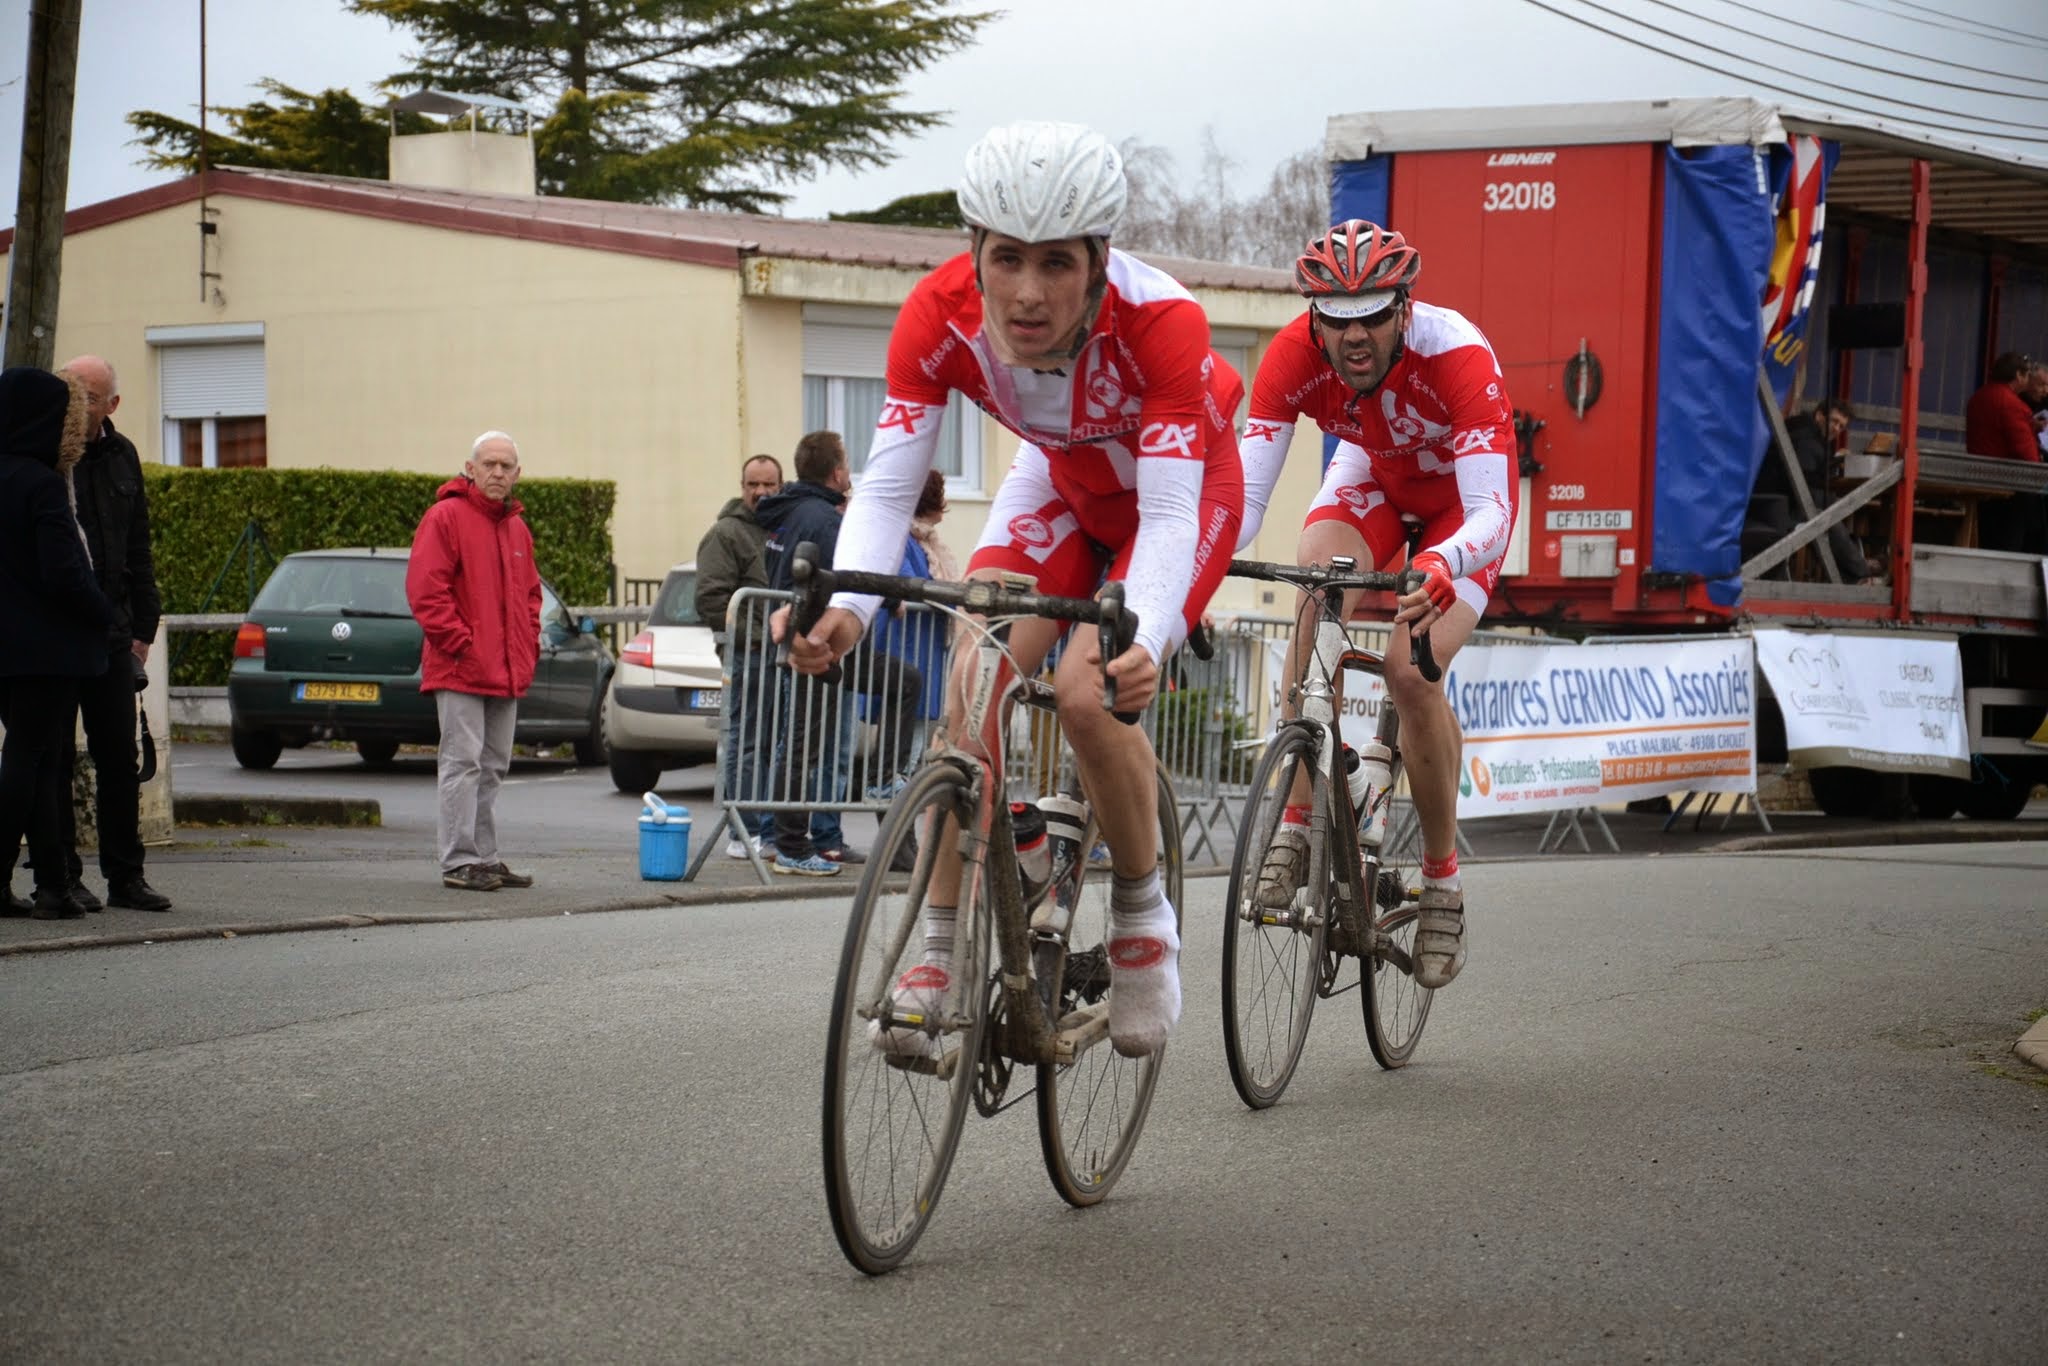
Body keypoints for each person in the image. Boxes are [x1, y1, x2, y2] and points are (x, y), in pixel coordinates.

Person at [781, 121, 1245, 1057]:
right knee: (971, 674)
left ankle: (1142, 919)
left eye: (1057, 264)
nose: (1028, 294)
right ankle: (937, 954)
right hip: (1060, 483)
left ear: (1099, 262)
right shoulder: (936, 315)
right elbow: (885, 482)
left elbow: (1162, 519)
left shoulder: (1162, 323)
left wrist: (1146, 637)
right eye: (1007, 260)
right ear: (975, 251)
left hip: (1177, 499)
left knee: (1087, 690)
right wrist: (848, 611)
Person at [1235, 219, 1518, 991]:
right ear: (1314, 318)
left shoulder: (1455, 352)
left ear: (1404, 308)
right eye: (1336, 318)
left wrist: (1441, 561)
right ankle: (1298, 815)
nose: (1354, 336)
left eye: (1372, 315)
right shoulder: (1291, 357)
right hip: (1375, 475)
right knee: (1314, 581)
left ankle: (1442, 878)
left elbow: (1492, 509)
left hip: (1465, 509)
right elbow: (1244, 497)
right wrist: (1183, 571)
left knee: (1408, 671)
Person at [757, 431, 924, 876]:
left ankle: (793, 838)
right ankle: (794, 842)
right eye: (847, 464)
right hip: (817, 644)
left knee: (805, 743)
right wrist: (889, 598)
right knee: (802, 747)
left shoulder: (788, 511)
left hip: (803, 638)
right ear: (836, 472)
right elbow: (852, 576)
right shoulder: (826, 521)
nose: (850, 473)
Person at [48, 355, 173, 912]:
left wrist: (144, 626)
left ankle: (126, 877)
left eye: (88, 395)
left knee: (118, 759)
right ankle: (63, 875)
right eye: (70, 392)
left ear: (112, 404)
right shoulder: (48, 458)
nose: (77, 404)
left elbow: (139, 549)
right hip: (57, 633)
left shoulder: (123, 457)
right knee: (51, 756)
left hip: (115, 634)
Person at [0, 367, 116, 920]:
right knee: (28, 762)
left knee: (37, 763)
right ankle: (20, 883)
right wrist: (107, 616)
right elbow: (65, 574)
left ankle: (51, 886)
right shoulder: (41, 483)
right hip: (44, 650)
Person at [405, 431, 542, 892]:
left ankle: (484, 857)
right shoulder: (445, 517)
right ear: (470, 468)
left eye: (506, 466)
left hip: (504, 669)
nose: (497, 473)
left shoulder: (517, 527)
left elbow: (530, 597)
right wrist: (461, 644)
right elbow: (427, 591)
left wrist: (528, 645)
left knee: (493, 765)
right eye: (489, 464)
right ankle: (460, 859)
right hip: (462, 667)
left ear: (517, 474)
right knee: (462, 763)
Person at [695, 453, 782, 859]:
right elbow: (712, 601)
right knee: (747, 743)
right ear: (742, 486)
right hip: (748, 656)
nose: (761, 492)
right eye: (753, 484)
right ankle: (742, 831)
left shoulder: (782, 529)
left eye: (769, 485)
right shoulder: (726, 533)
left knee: (773, 743)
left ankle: (769, 827)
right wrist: (761, 637)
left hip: (780, 656)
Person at [864, 469, 957, 801]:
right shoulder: (903, 539)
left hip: (923, 645)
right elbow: (909, 586)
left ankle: (899, 782)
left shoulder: (925, 541)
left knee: (919, 719)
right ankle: (893, 781)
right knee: (908, 717)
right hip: (907, 643)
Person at [1752, 397, 1873, 582]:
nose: (1837, 429)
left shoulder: (1802, 432)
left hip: (1772, 504)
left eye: (1842, 426)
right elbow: (1806, 484)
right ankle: (1860, 571)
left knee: (1827, 514)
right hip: (1781, 508)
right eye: (1834, 421)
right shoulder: (1807, 440)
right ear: (1819, 416)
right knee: (1828, 518)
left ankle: (1855, 571)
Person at [1968, 352, 2045, 554]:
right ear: (2018, 375)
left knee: (1988, 541)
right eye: (2027, 375)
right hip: (2009, 486)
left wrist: (2031, 427)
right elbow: (2026, 453)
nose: (2028, 380)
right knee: (2011, 544)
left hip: (1981, 479)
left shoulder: (1980, 396)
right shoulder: (2013, 404)